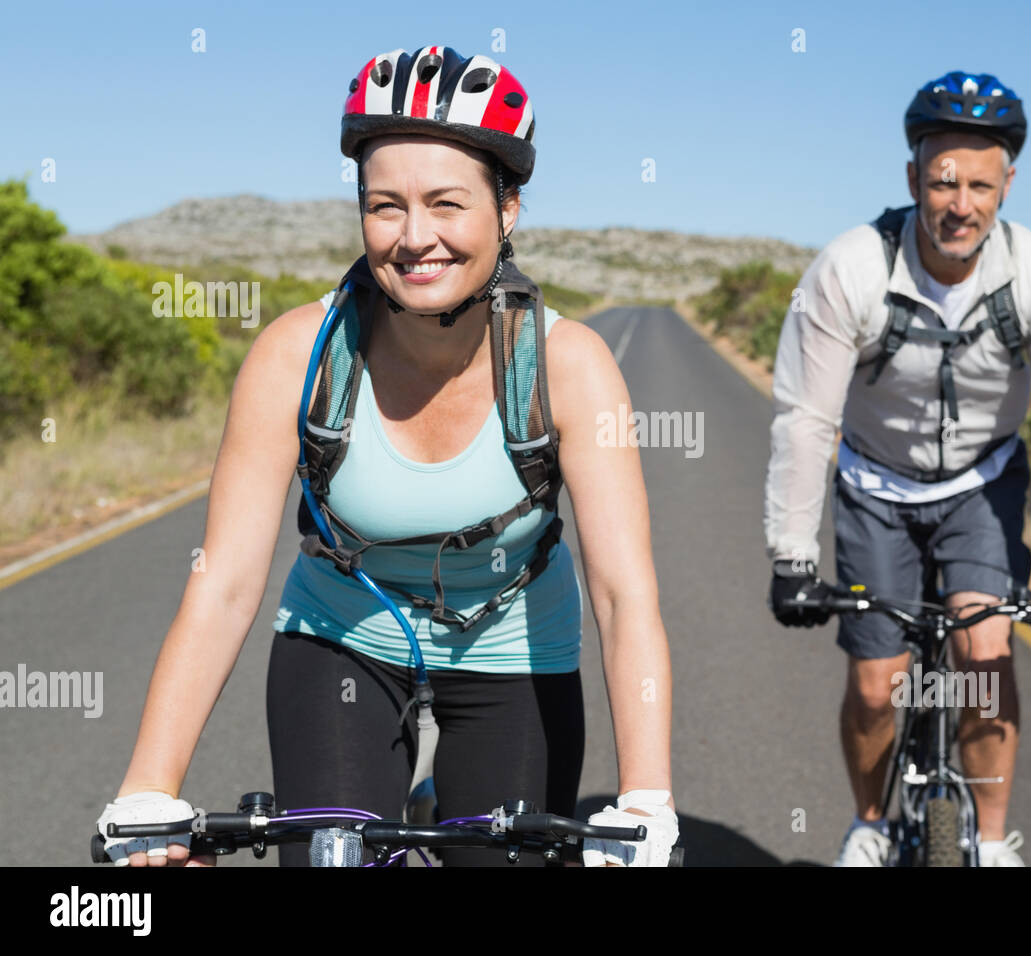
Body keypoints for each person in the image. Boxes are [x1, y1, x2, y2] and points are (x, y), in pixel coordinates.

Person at [96, 44, 676, 867]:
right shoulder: (297, 355)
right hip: (341, 641)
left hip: (512, 652)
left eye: (447, 204)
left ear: (507, 209)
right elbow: (223, 584)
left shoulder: (570, 367)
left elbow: (625, 596)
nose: (414, 238)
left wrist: (647, 799)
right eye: (384, 206)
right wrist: (149, 789)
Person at [764, 71, 1031, 867]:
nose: (961, 203)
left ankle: (991, 844)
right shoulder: (850, 269)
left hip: (980, 488)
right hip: (874, 487)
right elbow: (805, 419)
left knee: (985, 657)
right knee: (874, 682)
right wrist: (791, 556)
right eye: (943, 181)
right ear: (912, 178)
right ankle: (867, 820)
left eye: (981, 185)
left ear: (1008, 185)